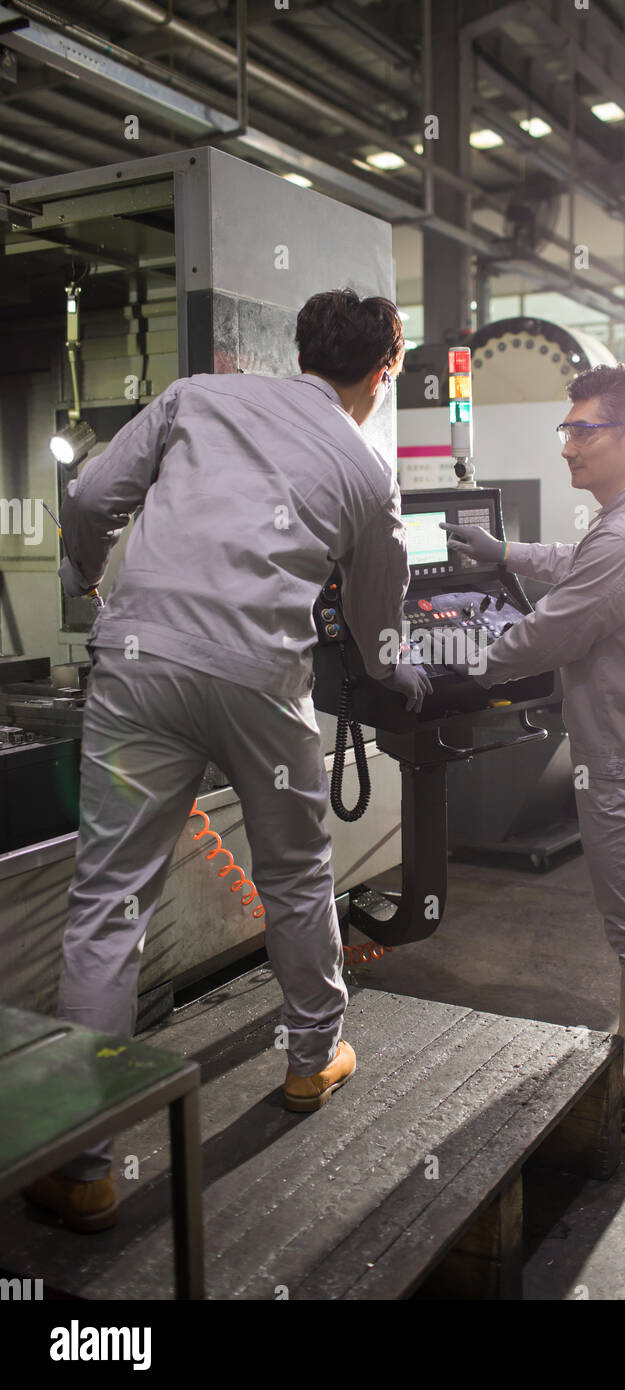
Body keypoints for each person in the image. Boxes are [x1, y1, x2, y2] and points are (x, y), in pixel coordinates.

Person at [22, 288, 431, 1233]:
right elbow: (377, 623)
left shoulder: (198, 397)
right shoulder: (369, 474)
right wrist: (396, 675)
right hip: (260, 682)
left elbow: (88, 496)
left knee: (110, 902)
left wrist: (86, 573)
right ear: (388, 365)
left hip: (140, 663)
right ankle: (310, 1059)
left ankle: (81, 1163)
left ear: (299, 349)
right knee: (294, 876)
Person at [442, 363, 625, 1135]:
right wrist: (504, 552)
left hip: (622, 759)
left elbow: (551, 633)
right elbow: (579, 565)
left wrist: (442, 661)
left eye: (582, 431)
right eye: (566, 430)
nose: (567, 447)